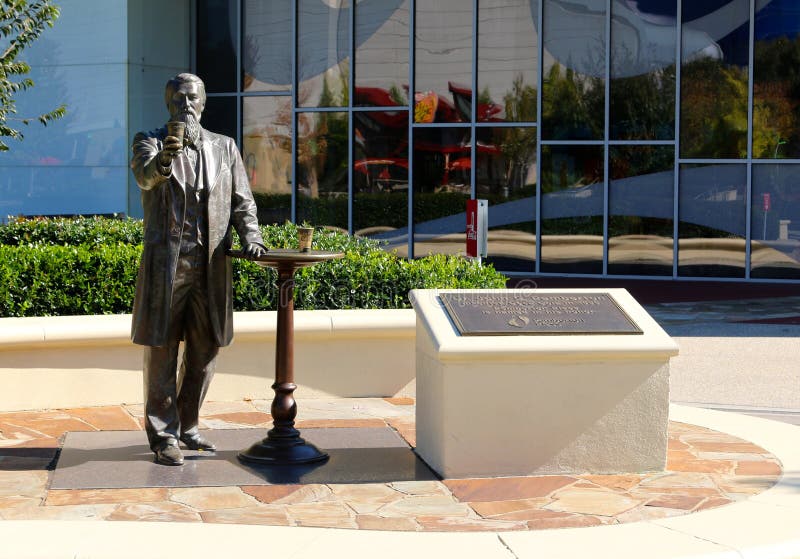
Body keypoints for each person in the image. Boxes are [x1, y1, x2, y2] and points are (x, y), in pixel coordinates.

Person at [130, 72, 267, 466]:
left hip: (211, 265)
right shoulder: (149, 142)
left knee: (206, 350)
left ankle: (188, 425)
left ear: (203, 103)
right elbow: (144, 176)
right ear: (168, 105)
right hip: (167, 265)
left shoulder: (224, 147)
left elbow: (243, 201)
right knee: (162, 350)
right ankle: (163, 436)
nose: (185, 106)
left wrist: (251, 238)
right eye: (177, 101)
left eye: (191, 99)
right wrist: (165, 159)